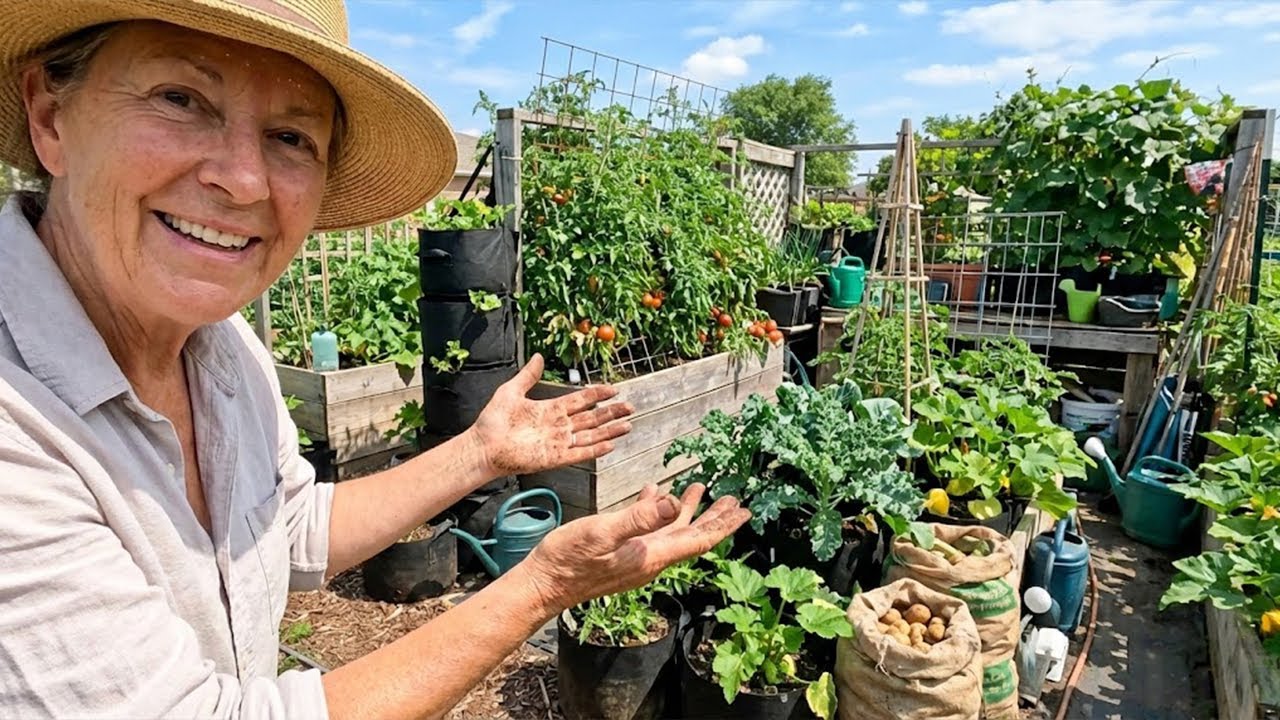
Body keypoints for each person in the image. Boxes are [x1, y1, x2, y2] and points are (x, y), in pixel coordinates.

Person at [0, 1, 751, 717]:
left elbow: (287, 527)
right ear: (49, 115)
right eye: (179, 97)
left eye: (292, 138)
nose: (244, 178)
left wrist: (482, 453)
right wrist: (541, 586)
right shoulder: (16, 427)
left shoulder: (221, 348)